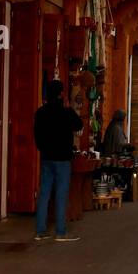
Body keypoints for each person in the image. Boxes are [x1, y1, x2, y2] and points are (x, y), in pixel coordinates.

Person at [34, 79, 83, 242]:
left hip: (47, 157)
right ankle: (61, 232)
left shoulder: (40, 112)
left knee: (44, 194)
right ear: (61, 94)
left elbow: (37, 136)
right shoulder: (66, 112)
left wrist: (43, 149)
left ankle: (40, 231)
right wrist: (69, 108)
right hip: (63, 159)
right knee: (61, 194)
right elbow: (78, 125)